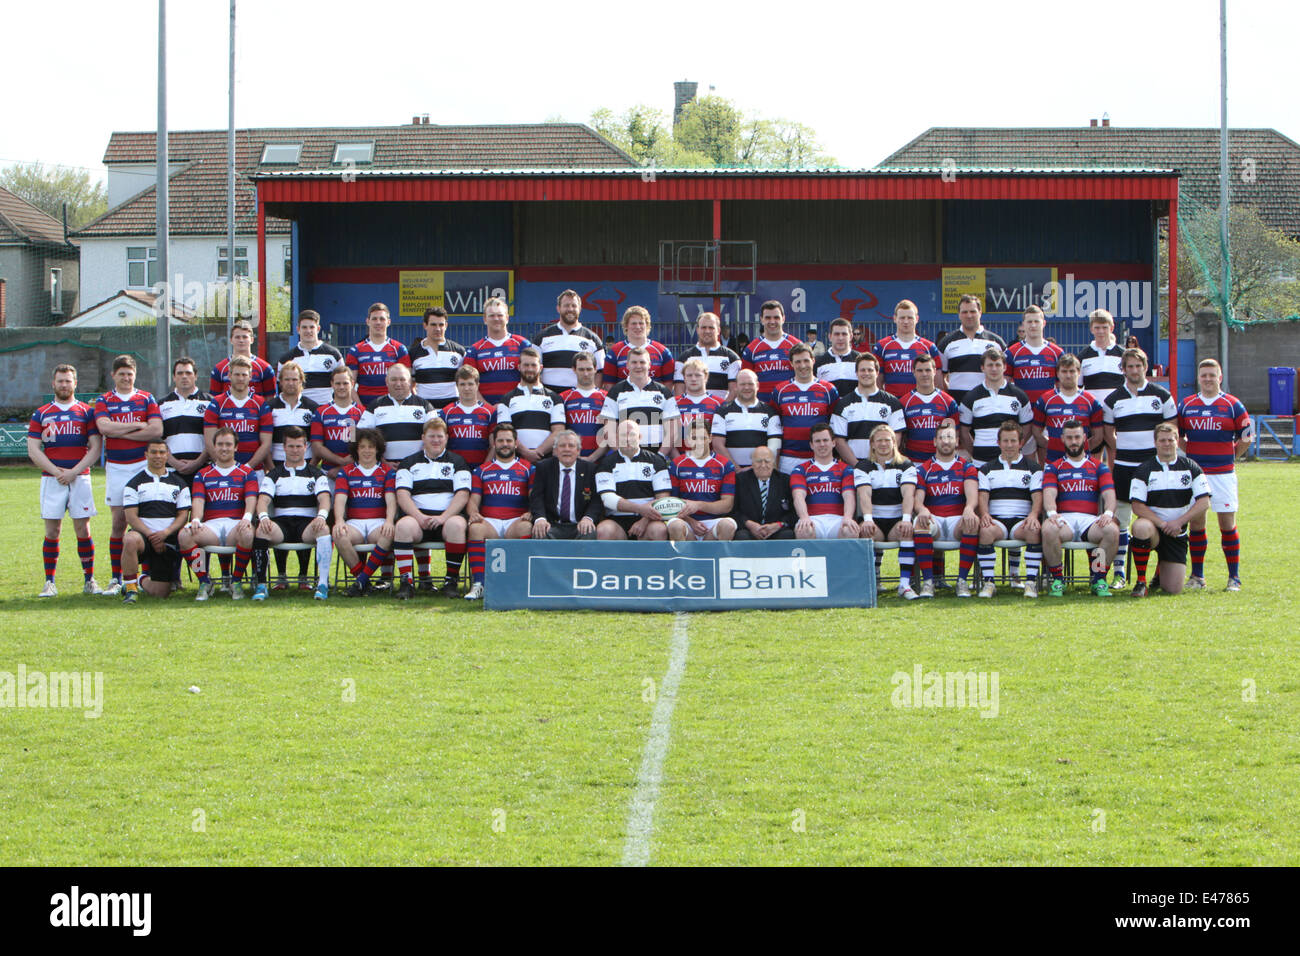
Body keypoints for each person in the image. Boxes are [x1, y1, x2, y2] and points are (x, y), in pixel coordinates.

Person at [1101, 346, 1177, 588]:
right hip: (1124, 468)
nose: (1134, 370)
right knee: (1121, 521)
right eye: (1129, 366)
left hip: (1153, 470)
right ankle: (1120, 573)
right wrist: (1124, 450)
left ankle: (1156, 573)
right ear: (1123, 369)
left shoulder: (1161, 395)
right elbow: (1108, 433)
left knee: (1157, 519)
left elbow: (1171, 429)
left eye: (1138, 366)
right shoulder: (1113, 399)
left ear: (1146, 367)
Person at [28, 363, 103, 596]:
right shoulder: (41, 413)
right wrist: (55, 471)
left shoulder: (85, 412)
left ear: (75, 383)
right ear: (53, 383)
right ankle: (49, 582)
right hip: (51, 480)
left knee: (83, 529)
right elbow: (33, 449)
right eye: (60, 380)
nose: (64, 384)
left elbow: (95, 447)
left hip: (80, 477)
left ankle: (90, 580)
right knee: (52, 531)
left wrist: (73, 471)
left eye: (68, 380)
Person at [1176, 358, 1250, 591]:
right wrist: (1193, 458)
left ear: (1220, 377)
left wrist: (1230, 456)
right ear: (1198, 378)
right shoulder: (1187, 405)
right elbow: (1178, 436)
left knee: (1226, 524)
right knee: (1197, 523)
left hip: (1223, 475)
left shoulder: (1232, 405)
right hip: (1196, 475)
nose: (1208, 379)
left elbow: (1246, 437)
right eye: (1204, 375)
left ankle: (1234, 578)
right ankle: (1198, 577)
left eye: (1212, 375)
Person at [94, 354, 163, 595]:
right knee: (118, 522)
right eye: (121, 374)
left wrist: (120, 432)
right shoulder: (104, 400)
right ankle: (116, 578)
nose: (126, 378)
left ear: (135, 375)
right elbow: (103, 427)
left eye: (129, 374)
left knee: (144, 521)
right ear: (113, 375)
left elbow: (156, 429)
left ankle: (142, 575)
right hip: (117, 467)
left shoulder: (146, 398)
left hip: (141, 467)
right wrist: (137, 426)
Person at [1128, 423, 1212, 597]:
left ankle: (1160, 573)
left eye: (1170, 440)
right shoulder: (1144, 470)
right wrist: (1163, 523)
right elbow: (1137, 506)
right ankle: (1141, 582)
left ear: (1177, 441)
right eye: (1162, 440)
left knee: (1173, 590)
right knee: (1140, 527)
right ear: (1155, 443)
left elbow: (1204, 502)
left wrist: (1179, 523)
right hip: (1154, 529)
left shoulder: (1191, 467)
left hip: (1176, 532)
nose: (1166, 443)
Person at [391, 417, 471, 598]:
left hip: (447, 519)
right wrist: (419, 517)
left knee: (458, 525)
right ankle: (407, 582)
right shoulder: (408, 462)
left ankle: (451, 581)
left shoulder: (458, 462)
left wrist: (443, 517)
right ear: (423, 438)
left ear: (447, 438)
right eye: (431, 436)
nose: (436, 440)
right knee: (403, 526)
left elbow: (463, 495)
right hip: (418, 520)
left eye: (440, 436)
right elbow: (402, 495)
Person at [250, 427, 333, 601]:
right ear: (284, 447)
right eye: (291, 446)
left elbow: (324, 499)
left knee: (323, 529)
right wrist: (264, 517)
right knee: (261, 529)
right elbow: (263, 501)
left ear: (305, 447)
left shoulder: (316, 474)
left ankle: (322, 584)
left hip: (306, 524)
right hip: (282, 524)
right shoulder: (273, 474)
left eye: (298, 446)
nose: (295, 450)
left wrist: (321, 516)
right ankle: (261, 585)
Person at [1040, 419, 1119, 597]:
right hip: (1064, 518)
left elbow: (1109, 494)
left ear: (1084, 438)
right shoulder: (1054, 467)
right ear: (1062, 439)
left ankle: (1098, 579)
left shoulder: (1098, 467)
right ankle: (1058, 581)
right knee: (1049, 529)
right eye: (1069, 438)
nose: (1074, 441)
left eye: (1077, 437)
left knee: (1111, 531)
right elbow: (1049, 494)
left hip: (1089, 520)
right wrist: (1051, 513)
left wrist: (1107, 513)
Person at [179, 427, 259, 601]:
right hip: (212, 526)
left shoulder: (247, 473)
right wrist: (196, 520)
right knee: (185, 536)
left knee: (247, 532)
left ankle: (236, 582)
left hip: (235, 524)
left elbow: (251, 499)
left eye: (228, 444)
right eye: (220, 444)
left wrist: (247, 518)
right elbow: (198, 501)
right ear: (214, 447)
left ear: (236, 447)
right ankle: (204, 581)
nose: (224, 448)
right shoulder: (203, 474)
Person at [463, 423, 533, 601]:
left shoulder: (528, 469)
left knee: (526, 527)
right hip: (490, 521)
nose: (505, 444)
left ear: (516, 443)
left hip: (515, 521)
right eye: (500, 440)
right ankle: (479, 584)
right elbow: (473, 500)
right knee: (476, 528)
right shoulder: (482, 470)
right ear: (494, 443)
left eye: (509, 440)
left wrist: (531, 511)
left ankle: (520, 582)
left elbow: (534, 497)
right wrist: (473, 513)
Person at [911, 422, 980, 598]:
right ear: (934, 442)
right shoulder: (924, 468)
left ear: (957, 441)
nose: (946, 441)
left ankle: (962, 582)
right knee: (920, 522)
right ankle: (928, 582)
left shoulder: (967, 467)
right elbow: (917, 501)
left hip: (957, 519)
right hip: (936, 520)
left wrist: (969, 509)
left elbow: (972, 496)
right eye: (941, 437)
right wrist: (922, 509)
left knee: (972, 522)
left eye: (949, 437)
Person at [976, 421, 1044, 599]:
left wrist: (1033, 515)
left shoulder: (1033, 469)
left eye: (1013, 441)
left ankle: (1030, 582)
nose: (1009, 445)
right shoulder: (986, 470)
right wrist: (984, 515)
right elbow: (983, 496)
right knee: (985, 531)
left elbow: (1037, 496)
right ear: (998, 443)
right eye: (1005, 441)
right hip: (996, 520)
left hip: (1021, 520)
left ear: (1021, 442)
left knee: (1034, 529)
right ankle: (989, 582)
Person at [120, 439, 190, 604]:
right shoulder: (134, 483)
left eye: (161, 452)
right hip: (144, 537)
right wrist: (151, 535)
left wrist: (165, 533)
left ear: (167, 455)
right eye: (153, 452)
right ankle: (130, 590)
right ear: (146, 455)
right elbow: (130, 517)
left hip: (168, 539)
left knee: (161, 593)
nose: (157, 456)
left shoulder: (179, 484)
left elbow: (183, 515)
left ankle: (140, 580)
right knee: (130, 539)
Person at [853, 425, 918, 597]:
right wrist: (867, 519)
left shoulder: (906, 465)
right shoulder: (863, 466)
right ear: (872, 444)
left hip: (897, 519)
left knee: (908, 531)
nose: (883, 444)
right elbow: (865, 495)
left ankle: (904, 585)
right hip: (876, 520)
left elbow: (908, 494)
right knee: (867, 532)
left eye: (887, 440)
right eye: (879, 440)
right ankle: (873, 581)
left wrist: (906, 519)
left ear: (894, 443)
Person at [332, 429, 398, 597]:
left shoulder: (386, 472)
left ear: (377, 449)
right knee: (339, 534)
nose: (367, 451)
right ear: (357, 449)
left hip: (379, 521)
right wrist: (339, 520)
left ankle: (360, 582)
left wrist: (389, 521)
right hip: (355, 522)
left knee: (388, 534)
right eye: (362, 447)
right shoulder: (346, 471)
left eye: (371, 447)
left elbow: (391, 500)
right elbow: (340, 499)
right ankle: (364, 581)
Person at [594, 419, 672, 541]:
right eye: (623, 435)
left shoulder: (656, 461)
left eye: (632, 434)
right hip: (617, 521)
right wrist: (639, 509)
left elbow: (663, 499)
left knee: (659, 530)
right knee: (604, 530)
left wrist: (644, 520)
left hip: (648, 520)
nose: (627, 439)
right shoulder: (606, 463)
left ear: (640, 437)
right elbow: (608, 499)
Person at [958, 348, 1033, 468]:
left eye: (998, 365)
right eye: (990, 365)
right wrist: (977, 453)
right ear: (982, 367)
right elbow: (964, 432)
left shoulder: (1019, 396)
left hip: (1011, 464)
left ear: (1004, 367)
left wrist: (1014, 449)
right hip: (981, 464)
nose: (994, 369)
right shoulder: (970, 398)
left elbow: (1027, 428)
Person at [599, 347, 680, 456]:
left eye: (642, 362)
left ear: (649, 365)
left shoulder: (664, 392)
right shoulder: (615, 392)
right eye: (634, 362)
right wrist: (622, 455)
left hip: (656, 460)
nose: (638, 366)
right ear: (627, 365)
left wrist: (659, 457)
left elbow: (672, 432)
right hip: (626, 459)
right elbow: (609, 431)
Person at [667, 418, 737, 541]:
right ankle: (682, 560)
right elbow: (672, 502)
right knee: (675, 525)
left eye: (703, 438)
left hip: (713, 522)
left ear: (710, 438)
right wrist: (690, 520)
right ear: (688, 440)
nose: (698, 442)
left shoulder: (724, 464)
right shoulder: (677, 464)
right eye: (694, 438)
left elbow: (727, 505)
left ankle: (717, 559)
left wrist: (698, 505)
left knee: (728, 525)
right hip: (686, 521)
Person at [773, 343, 839, 475]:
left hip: (819, 456)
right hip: (788, 458)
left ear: (813, 361)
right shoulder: (780, 390)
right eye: (797, 362)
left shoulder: (829, 390)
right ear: (791, 364)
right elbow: (776, 423)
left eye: (806, 361)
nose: (802, 366)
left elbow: (834, 424)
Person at [830, 352, 905, 468]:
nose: (866, 373)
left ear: (877, 373)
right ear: (856, 373)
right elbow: (839, 441)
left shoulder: (892, 403)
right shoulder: (843, 404)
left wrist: (882, 464)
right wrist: (858, 466)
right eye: (862, 370)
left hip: (883, 468)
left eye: (870, 370)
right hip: (853, 469)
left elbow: (897, 437)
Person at [203, 356, 272, 476]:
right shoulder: (217, 403)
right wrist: (226, 467)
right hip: (224, 471)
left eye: (244, 375)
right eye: (237, 374)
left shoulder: (260, 404)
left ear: (250, 377)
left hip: (254, 471)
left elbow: (266, 444)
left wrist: (248, 467)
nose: (240, 378)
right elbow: (210, 442)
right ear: (229, 376)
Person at [495, 347, 564, 463]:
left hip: (546, 461)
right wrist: (526, 452)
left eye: (533, 365)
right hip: (516, 462)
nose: (530, 369)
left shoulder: (555, 398)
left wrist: (538, 452)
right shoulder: (506, 399)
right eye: (526, 365)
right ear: (519, 367)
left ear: (540, 368)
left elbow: (559, 431)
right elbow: (505, 433)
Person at [530, 430, 603, 539]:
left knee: (589, 532)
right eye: (562, 445)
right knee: (539, 532)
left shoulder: (590, 469)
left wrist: (588, 518)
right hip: (551, 524)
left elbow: (596, 500)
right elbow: (536, 497)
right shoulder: (544, 467)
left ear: (578, 451)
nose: (567, 449)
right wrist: (540, 519)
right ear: (555, 450)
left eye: (571, 446)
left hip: (580, 524)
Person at [1031, 353, 1103, 464]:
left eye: (1072, 371)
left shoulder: (1091, 402)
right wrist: (1052, 446)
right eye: (1064, 371)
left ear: (1079, 373)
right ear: (1058, 374)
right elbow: (1036, 432)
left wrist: (1080, 450)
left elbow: (1098, 436)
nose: (1068, 375)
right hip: (1053, 462)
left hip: (1081, 463)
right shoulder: (1045, 400)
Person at [790, 424, 858, 540]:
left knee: (850, 531)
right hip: (813, 519)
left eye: (825, 440)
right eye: (817, 441)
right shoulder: (801, 469)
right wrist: (804, 517)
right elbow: (798, 496)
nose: (822, 444)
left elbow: (849, 496)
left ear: (833, 443)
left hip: (838, 519)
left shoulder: (846, 469)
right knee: (804, 531)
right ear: (811, 445)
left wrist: (847, 517)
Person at [357, 364, 432, 466]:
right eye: (393, 379)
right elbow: (359, 436)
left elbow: (434, 438)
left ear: (409, 382)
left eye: (402, 379)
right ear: (386, 382)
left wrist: (415, 462)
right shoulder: (375, 406)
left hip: (418, 468)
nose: (398, 384)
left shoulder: (425, 406)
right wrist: (381, 461)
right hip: (384, 470)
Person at [532, 289, 604, 392]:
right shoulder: (542, 338)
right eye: (566, 305)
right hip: (549, 402)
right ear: (558, 308)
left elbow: (600, 373)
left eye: (574, 306)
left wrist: (592, 396)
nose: (570, 309)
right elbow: (534, 371)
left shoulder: (593, 340)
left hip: (578, 403)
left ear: (580, 309)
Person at [463, 297, 530, 405]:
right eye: (492, 315)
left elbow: (532, 378)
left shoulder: (523, 345)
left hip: (518, 407)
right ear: (485, 319)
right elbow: (469, 384)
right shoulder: (474, 350)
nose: (496, 318)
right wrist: (487, 408)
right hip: (487, 411)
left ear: (507, 318)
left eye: (500, 315)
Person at [711, 368, 781, 472]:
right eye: (742, 384)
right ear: (735, 386)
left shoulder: (770, 412)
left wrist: (760, 468)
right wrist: (737, 469)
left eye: (750, 384)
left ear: (757, 386)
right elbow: (717, 445)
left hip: (761, 473)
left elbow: (775, 446)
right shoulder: (722, 411)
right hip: (732, 474)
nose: (747, 387)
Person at [937, 294, 1005, 397]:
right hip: (958, 404)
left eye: (973, 311)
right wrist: (949, 397)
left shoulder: (996, 342)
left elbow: (1006, 376)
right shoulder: (946, 343)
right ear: (959, 314)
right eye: (965, 312)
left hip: (988, 406)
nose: (969, 315)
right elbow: (939, 376)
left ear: (980, 313)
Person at [873, 299, 943, 399]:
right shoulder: (882, 346)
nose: (906, 321)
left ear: (917, 319)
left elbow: (938, 383)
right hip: (892, 405)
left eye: (910, 318)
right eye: (902, 318)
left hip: (919, 405)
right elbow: (877, 381)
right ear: (894, 319)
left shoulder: (929, 347)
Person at [345, 302, 411, 407]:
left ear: (388, 322)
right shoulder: (356, 350)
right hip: (364, 408)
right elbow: (349, 385)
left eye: (382, 319)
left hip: (392, 408)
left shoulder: (399, 349)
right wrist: (361, 409)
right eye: (374, 319)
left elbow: (407, 383)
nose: (378, 322)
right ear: (368, 321)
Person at [900, 353, 959, 465]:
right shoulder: (904, 402)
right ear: (913, 372)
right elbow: (900, 438)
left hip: (940, 463)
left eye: (928, 370)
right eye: (920, 371)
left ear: (934, 371)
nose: (924, 374)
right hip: (913, 463)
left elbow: (955, 436)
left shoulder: (948, 402)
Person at [158, 357, 211, 480]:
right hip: (171, 470)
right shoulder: (161, 404)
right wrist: (174, 463)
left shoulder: (210, 402)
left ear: (196, 376)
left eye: (188, 373)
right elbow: (158, 440)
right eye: (180, 373)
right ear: (174, 377)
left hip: (202, 471)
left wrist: (197, 463)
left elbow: (213, 439)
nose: (184, 376)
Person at [1003, 305, 1063, 412]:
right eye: (1029, 322)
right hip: (1020, 410)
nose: (1033, 325)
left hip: (1047, 411)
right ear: (1023, 324)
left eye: (1036, 321)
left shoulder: (1057, 353)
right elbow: (1004, 385)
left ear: (1044, 323)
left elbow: (1061, 387)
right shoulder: (1012, 352)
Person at [277, 309, 344, 406]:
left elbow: (343, 383)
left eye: (312, 327)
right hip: (299, 411)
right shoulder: (286, 359)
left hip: (326, 410)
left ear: (318, 329)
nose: (308, 331)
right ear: (298, 329)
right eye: (304, 327)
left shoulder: (333, 355)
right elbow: (281, 388)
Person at [740, 300, 801, 404]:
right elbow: (745, 382)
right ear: (762, 320)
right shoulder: (751, 349)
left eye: (776, 317)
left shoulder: (796, 346)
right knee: (703, 420)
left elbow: (805, 377)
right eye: (768, 318)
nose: (772, 321)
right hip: (762, 407)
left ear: (783, 319)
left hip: (789, 406)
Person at [731, 445, 795, 540]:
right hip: (748, 529)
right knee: (741, 536)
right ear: (752, 463)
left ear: (773, 462)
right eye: (759, 461)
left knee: (787, 535)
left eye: (767, 461)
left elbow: (794, 512)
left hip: (776, 529)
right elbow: (732, 510)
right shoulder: (740, 480)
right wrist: (748, 524)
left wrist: (778, 525)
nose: (763, 465)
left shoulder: (785, 481)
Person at [311, 365, 365, 476]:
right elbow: (317, 447)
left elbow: (366, 446)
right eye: (338, 383)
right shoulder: (321, 412)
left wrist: (343, 467)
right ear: (331, 384)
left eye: (345, 383)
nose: (341, 387)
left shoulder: (362, 412)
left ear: (352, 384)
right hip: (328, 472)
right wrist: (340, 461)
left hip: (356, 472)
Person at [673, 311, 739, 400]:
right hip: (692, 411)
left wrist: (721, 411)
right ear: (697, 330)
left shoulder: (732, 358)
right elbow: (679, 391)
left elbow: (734, 390)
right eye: (703, 327)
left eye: (711, 328)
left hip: (721, 411)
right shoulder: (684, 358)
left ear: (718, 330)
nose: (707, 331)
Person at [602, 305, 673, 387]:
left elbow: (668, 386)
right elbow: (609, 386)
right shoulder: (614, 352)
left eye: (641, 323)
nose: (638, 327)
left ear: (647, 325)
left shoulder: (663, 352)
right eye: (633, 323)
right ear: (626, 326)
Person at [440, 365, 496, 469]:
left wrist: (482, 470)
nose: (466, 388)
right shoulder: (446, 412)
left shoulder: (490, 412)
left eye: (470, 384)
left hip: (481, 470)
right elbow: (441, 445)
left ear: (477, 385)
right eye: (462, 384)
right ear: (457, 386)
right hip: (453, 470)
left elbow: (494, 447)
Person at [409, 306, 467, 407]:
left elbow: (466, 382)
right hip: (425, 412)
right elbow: (410, 384)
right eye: (433, 325)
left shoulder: (459, 351)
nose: (438, 329)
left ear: (446, 325)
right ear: (425, 325)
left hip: (451, 412)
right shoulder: (413, 353)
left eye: (441, 324)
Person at [267, 361, 319, 466]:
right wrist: (272, 471)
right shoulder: (269, 407)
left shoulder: (313, 407)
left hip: (306, 467)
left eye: (294, 379)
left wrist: (310, 470)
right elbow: (265, 444)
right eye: (287, 379)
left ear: (301, 381)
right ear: (280, 381)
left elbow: (318, 444)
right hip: (277, 467)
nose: (291, 383)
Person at [560, 352, 609, 462]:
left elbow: (609, 435)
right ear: (574, 369)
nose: (586, 373)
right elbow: (559, 432)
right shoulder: (563, 398)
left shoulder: (606, 397)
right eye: (581, 370)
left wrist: (592, 458)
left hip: (599, 460)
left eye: (589, 369)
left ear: (595, 369)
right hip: (572, 460)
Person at [210, 319, 276, 400]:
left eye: (245, 337)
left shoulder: (265, 368)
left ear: (252, 340)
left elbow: (270, 400)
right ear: (231, 340)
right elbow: (214, 399)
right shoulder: (219, 369)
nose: (241, 340)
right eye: (237, 337)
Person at [674, 357, 724, 454]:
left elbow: (720, 441)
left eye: (697, 375)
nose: (693, 379)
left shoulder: (720, 404)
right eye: (689, 375)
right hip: (681, 461)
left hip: (709, 461)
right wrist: (679, 462)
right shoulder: (673, 403)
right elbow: (669, 441)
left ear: (705, 377)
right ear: (684, 378)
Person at [1077, 308, 1127, 407]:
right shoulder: (1082, 356)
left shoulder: (1123, 355)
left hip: (1118, 410)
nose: (1101, 331)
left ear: (1112, 328)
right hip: (1092, 411)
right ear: (1091, 329)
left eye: (1105, 327)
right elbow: (1078, 387)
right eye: (1097, 327)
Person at [814, 317, 860, 398]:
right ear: (830, 336)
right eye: (836, 334)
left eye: (844, 334)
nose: (840, 338)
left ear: (851, 336)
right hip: (829, 410)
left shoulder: (860, 360)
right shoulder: (818, 362)